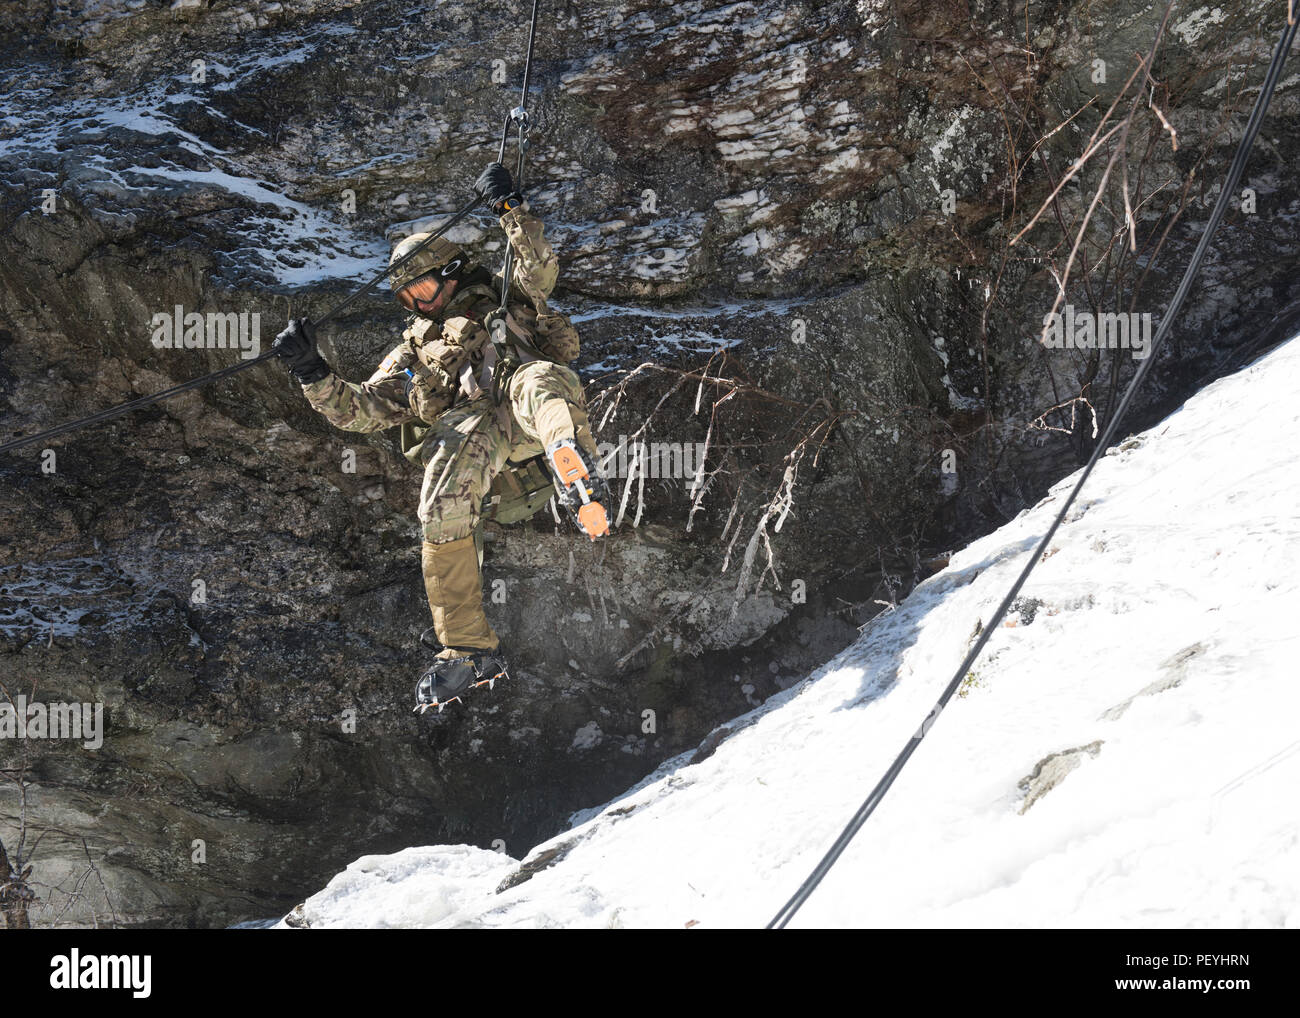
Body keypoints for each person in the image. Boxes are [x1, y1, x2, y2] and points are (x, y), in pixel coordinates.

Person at [271, 162, 610, 712]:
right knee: (440, 491)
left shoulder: (505, 293)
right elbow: (363, 408)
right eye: (408, 298)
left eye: (425, 288)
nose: (420, 303)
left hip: (529, 408)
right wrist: (312, 371)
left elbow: (538, 265)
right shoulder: (412, 350)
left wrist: (511, 210)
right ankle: (467, 652)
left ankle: (580, 472)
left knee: (541, 380)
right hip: (480, 431)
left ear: (451, 273)